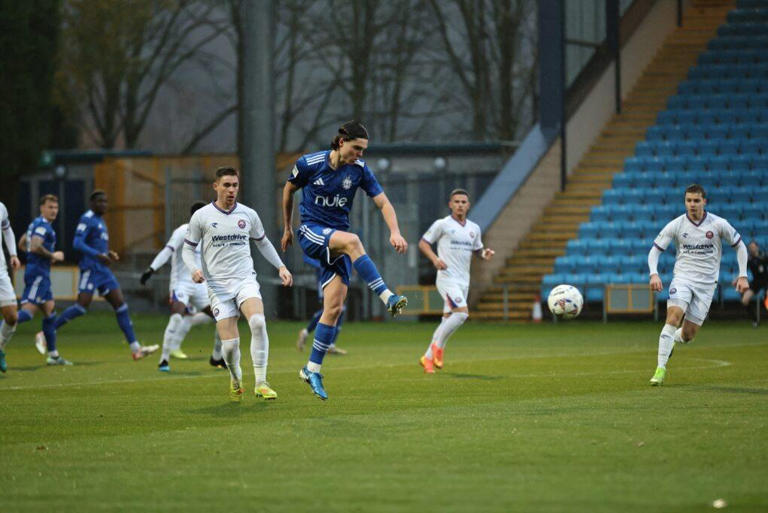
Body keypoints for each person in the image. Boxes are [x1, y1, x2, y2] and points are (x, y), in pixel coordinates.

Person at [282, 120, 408, 400]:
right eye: (357, 148)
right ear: (341, 143)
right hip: (311, 233)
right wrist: (288, 228)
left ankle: (311, 369)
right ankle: (387, 296)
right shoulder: (309, 164)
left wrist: (395, 231)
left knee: (335, 308)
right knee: (353, 241)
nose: (360, 154)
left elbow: (383, 202)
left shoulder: (359, 170)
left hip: (336, 241)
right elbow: (289, 189)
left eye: (363, 150)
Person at [183, 167, 293, 402]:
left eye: (235, 185)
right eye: (226, 185)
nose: (231, 190)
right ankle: (235, 378)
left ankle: (262, 382)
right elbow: (188, 248)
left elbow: (263, 243)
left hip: (245, 280)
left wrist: (281, 267)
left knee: (258, 321)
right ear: (216, 187)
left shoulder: (248, 214)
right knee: (231, 347)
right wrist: (194, 269)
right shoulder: (202, 216)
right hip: (218, 287)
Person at [648, 183, 748, 386]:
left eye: (696, 200)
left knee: (688, 335)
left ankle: (673, 340)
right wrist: (654, 274)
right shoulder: (676, 224)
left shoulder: (718, 224)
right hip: (683, 279)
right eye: (688, 200)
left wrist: (743, 275)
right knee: (673, 316)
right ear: (685, 202)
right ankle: (660, 369)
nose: (692, 204)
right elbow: (655, 251)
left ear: (704, 201)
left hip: (706, 285)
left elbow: (740, 247)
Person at [52, 190, 159, 360]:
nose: (104, 204)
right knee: (81, 306)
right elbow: (77, 243)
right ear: (92, 203)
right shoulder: (87, 218)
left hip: (103, 270)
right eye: (100, 201)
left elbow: (96, 245)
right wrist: (97, 255)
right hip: (91, 269)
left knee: (121, 305)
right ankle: (48, 331)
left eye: (106, 201)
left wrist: (108, 254)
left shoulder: (100, 220)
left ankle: (136, 348)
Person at [140, 201, 226, 372]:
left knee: (224, 320)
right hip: (181, 284)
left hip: (201, 286)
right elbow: (167, 250)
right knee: (177, 317)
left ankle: (217, 357)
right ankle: (164, 359)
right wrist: (151, 269)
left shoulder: (208, 235)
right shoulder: (182, 231)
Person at [417, 189, 494, 373]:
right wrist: (435, 259)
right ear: (450, 204)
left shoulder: (474, 228)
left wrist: (485, 254)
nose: (460, 204)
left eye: (463, 202)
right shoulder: (442, 224)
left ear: (468, 205)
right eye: (456, 201)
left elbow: (478, 250)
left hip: (463, 281)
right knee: (461, 314)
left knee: (447, 320)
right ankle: (438, 348)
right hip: (446, 278)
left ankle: (427, 358)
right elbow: (423, 243)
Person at [14, 195, 71, 365]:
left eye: (56, 207)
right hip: (37, 274)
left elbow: (22, 243)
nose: (54, 210)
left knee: (49, 312)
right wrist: (52, 255)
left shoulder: (35, 223)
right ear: (42, 208)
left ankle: (53, 355)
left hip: (41, 272)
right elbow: (35, 245)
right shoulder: (42, 225)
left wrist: (41, 257)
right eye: (50, 207)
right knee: (27, 312)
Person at [295, 255, 347, 355]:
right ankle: (310, 334)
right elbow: (306, 257)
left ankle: (329, 344)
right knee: (332, 309)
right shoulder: (315, 241)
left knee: (339, 309)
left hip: (335, 278)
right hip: (325, 280)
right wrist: (323, 265)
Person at [0, 201, 21, 372]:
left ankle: (0, 347)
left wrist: (13, 254)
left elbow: (7, 230)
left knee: (12, 316)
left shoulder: (1, 207)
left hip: (0, 271)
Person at [733, 241, 767, 328]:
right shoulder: (749, 259)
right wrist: (737, 279)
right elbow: (743, 271)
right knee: (745, 300)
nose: (752, 248)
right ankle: (755, 321)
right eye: (750, 247)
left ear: (757, 247)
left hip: (766, 281)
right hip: (756, 282)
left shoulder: (764, 256)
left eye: (753, 246)